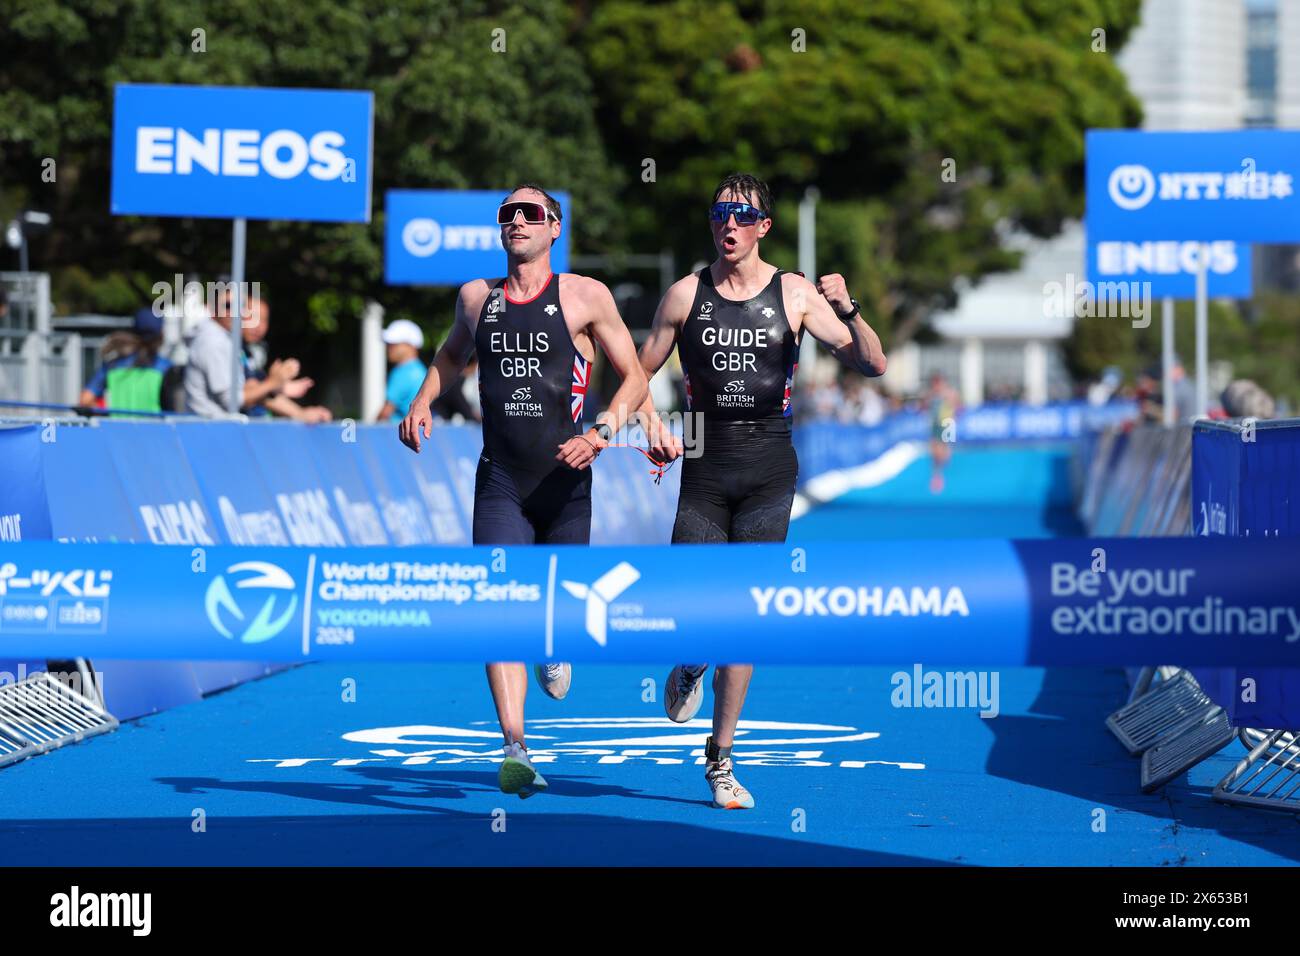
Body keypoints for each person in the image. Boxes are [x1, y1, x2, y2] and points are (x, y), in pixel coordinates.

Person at [635, 172, 887, 809]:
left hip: (771, 467)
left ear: (763, 227)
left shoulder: (795, 294)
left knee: (744, 614)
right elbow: (636, 376)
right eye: (719, 212)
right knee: (694, 600)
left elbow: (873, 363)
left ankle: (720, 760)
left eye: (742, 215)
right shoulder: (684, 295)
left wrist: (850, 306)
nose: (728, 224)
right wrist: (651, 425)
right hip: (702, 461)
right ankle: (691, 660)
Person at [399, 184, 648, 798]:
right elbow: (451, 354)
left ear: (554, 227)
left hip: (567, 480)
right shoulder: (475, 297)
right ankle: (515, 746)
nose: (516, 222)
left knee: (556, 608)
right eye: (507, 214)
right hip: (501, 479)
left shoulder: (584, 295)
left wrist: (602, 433)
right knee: (497, 604)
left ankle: (556, 642)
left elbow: (635, 375)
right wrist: (422, 399)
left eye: (529, 214)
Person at [183, 293, 314, 418]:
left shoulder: (236, 346)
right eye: (228, 306)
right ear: (212, 308)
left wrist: (276, 386)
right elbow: (233, 400)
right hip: (212, 431)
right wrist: (274, 384)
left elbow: (254, 387)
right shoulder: (214, 342)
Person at [79, 308, 173, 414]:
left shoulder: (112, 365)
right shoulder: (166, 367)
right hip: (154, 429)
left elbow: (85, 400)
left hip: (117, 428)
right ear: (161, 334)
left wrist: (106, 413)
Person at [375, 319, 428, 423]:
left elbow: (386, 412)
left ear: (410, 346)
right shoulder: (422, 370)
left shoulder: (403, 373)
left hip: (394, 434)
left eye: (394, 344)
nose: (389, 348)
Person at [926, 371, 959, 493]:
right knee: (935, 451)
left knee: (944, 450)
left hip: (946, 423)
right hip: (935, 423)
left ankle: (940, 471)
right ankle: (937, 474)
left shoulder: (949, 392)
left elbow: (955, 405)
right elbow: (926, 406)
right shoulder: (932, 394)